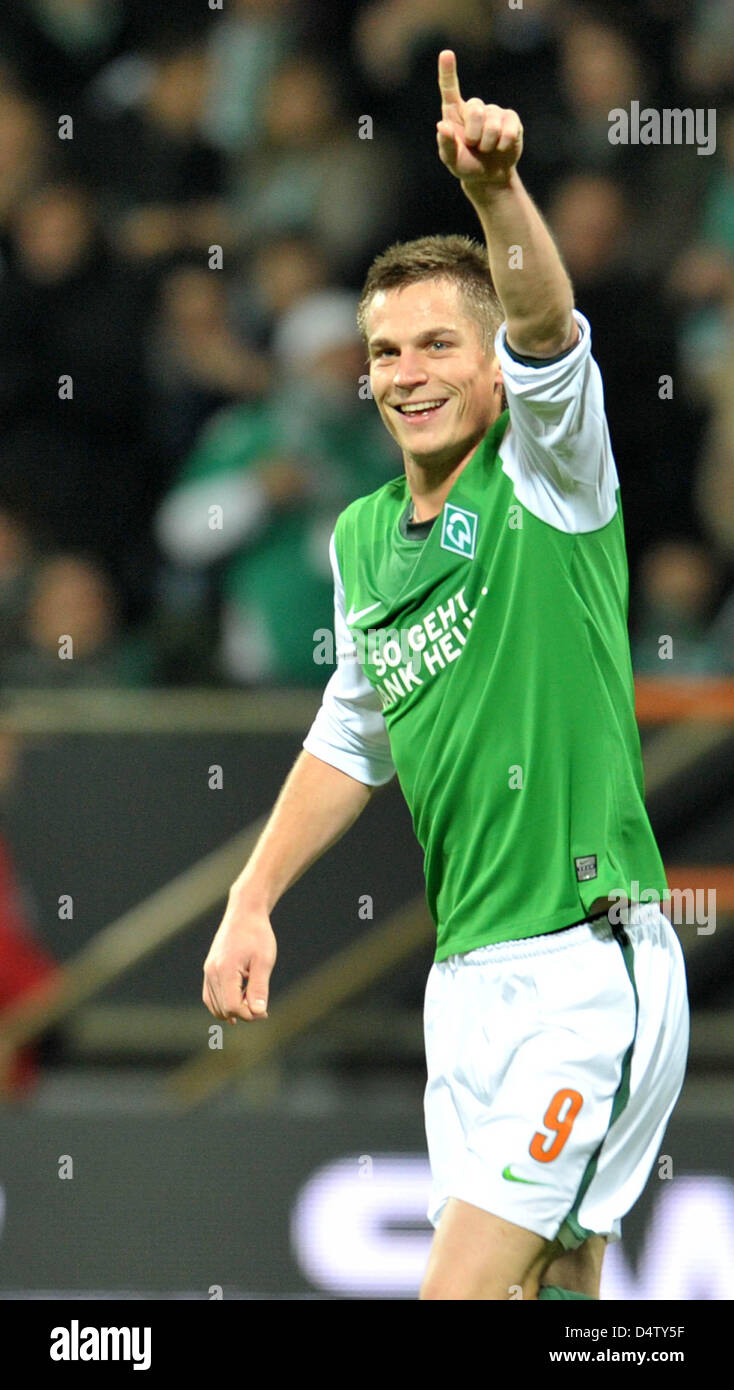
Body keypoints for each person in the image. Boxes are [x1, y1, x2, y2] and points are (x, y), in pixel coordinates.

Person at [202, 51, 689, 1301]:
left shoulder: (549, 475)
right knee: (557, 1298)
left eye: (433, 344)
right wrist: (254, 896)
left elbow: (541, 322)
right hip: (464, 988)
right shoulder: (360, 538)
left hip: (587, 970)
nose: (405, 371)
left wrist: (496, 197)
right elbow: (349, 732)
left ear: (486, 373)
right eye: (383, 351)